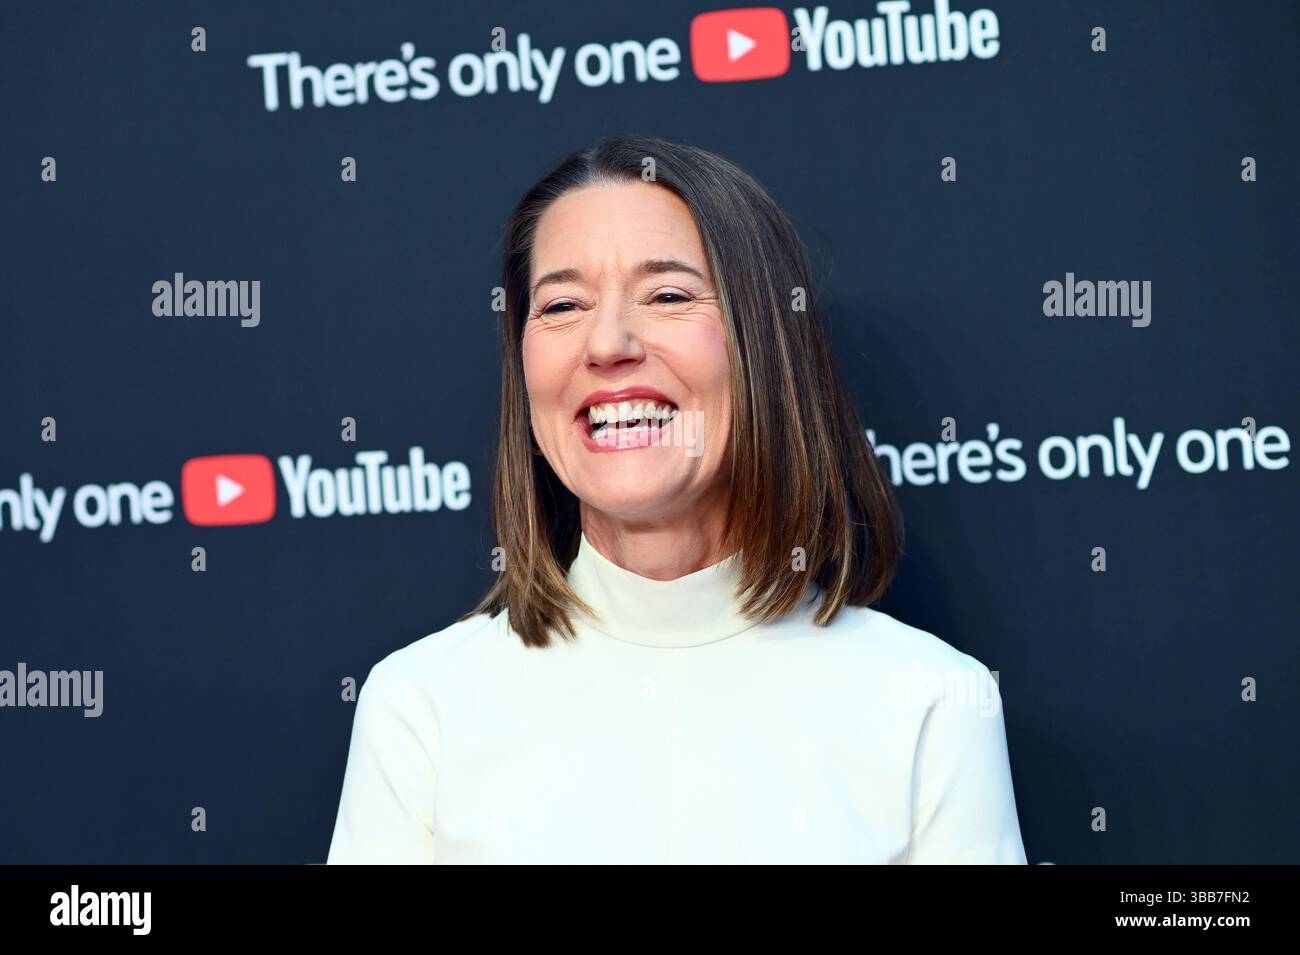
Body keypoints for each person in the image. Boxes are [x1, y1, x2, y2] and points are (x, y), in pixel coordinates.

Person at [326, 135, 1027, 864]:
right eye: (562, 303)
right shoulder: (419, 708)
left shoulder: (934, 703)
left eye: (667, 295)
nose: (607, 343)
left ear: (762, 341)